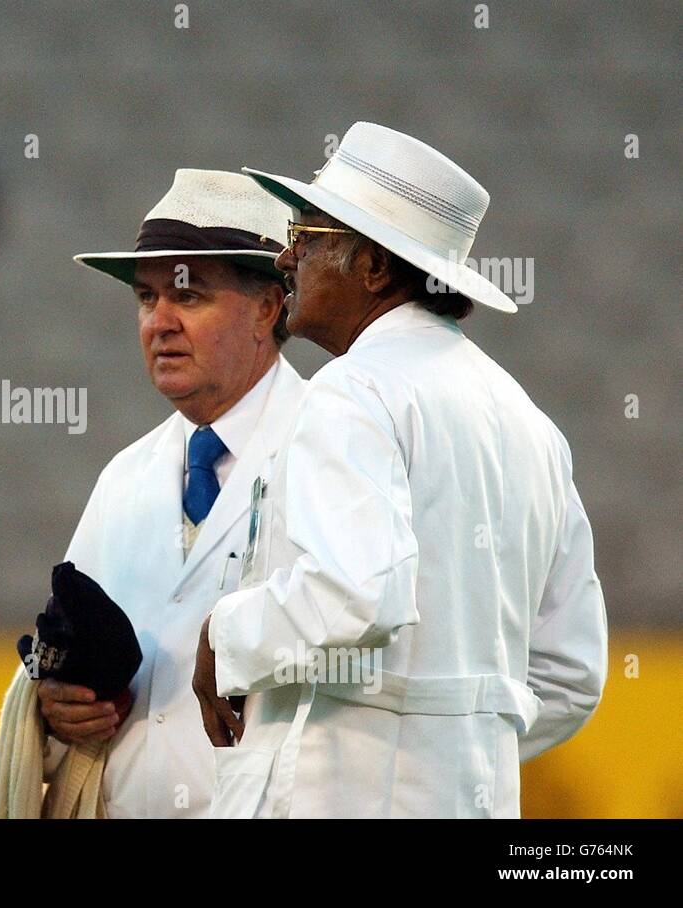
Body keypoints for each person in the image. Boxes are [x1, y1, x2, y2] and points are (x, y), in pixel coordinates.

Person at [192, 122, 607, 818]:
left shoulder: (355, 389)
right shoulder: (531, 425)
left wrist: (223, 635)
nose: (286, 257)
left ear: (374, 268)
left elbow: (359, 592)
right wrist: (453, 739)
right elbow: (571, 675)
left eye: (309, 234)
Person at [0, 169, 305, 818]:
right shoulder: (125, 477)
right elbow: (69, 646)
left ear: (268, 307)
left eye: (187, 298)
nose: (158, 322)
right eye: (145, 298)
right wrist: (56, 703)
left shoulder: (332, 452)